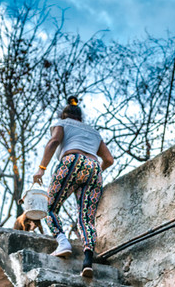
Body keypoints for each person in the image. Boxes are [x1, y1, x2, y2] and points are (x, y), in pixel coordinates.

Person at [32, 96, 114, 277]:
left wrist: (41, 169)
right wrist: (94, 170)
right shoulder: (93, 132)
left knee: (50, 208)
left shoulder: (62, 123)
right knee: (86, 218)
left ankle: (62, 242)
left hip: (71, 161)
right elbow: (108, 159)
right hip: (94, 168)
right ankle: (87, 261)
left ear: (64, 114)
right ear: (81, 117)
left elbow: (53, 142)